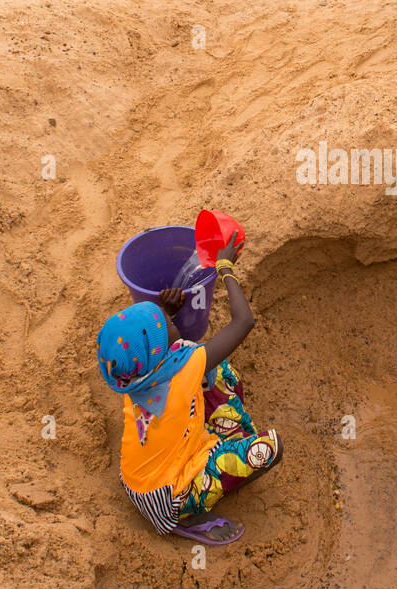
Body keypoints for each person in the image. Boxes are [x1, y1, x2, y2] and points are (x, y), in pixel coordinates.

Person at [96, 233, 281, 545]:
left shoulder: (134, 377)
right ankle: (192, 517)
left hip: (138, 481)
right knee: (269, 450)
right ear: (158, 349)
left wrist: (164, 312)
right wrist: (225, 268)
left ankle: (215, 446)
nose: (170, 323)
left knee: (216, 369)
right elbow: (244, 321)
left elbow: (157, 343)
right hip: (171, 499)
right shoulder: (184, 368)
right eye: (165, 323)